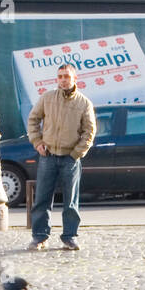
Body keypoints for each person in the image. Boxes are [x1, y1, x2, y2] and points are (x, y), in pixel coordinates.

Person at [26, 63, 96, 251]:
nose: (63, 80)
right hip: (48, 156)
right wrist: (37, 142)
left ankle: (69, 237)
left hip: (70, 159)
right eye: (60, 76)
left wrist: (76, 154)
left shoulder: (83, 103)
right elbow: (33, 119)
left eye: (66, 76)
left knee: (71, 201)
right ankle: (39, 237)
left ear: (75, 78)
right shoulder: (47, 98)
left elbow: (89, 131)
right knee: (42, 198)